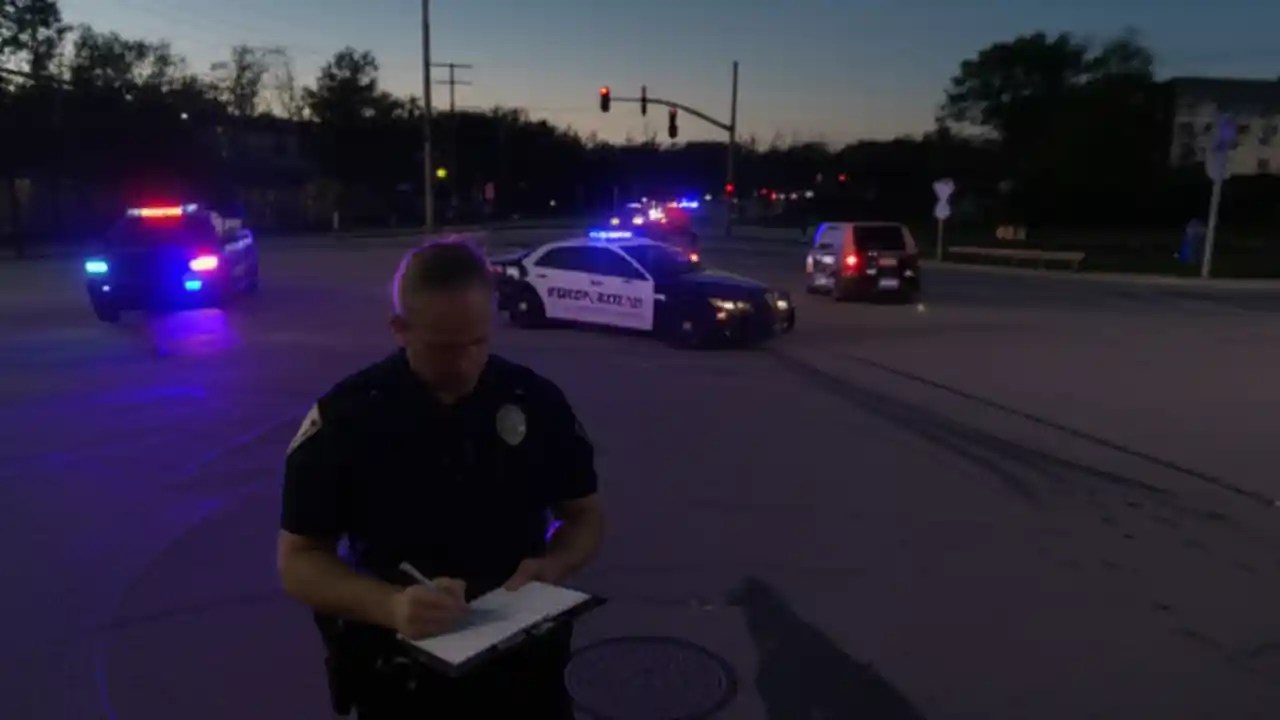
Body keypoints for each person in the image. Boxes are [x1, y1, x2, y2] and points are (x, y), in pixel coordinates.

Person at [277, 240, 604, 719]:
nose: (466, 364)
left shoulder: (536, 401)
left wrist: (552, 566)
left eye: (479, 342)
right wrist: (390, 606)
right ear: (400, 330)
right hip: (401, 678)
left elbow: (585, 516)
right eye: (445, 348)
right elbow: (299, 559)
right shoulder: (349, 418)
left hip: (526, 675)